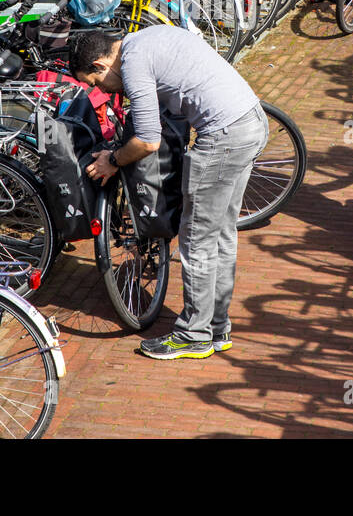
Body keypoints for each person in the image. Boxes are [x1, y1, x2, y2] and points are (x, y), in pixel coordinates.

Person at [72, 26, 269, 360]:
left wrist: (114, 160)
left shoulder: (133, 64)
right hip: (250, 120)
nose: (101, 90)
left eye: (95, 83)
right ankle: (216, 326)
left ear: (99, 65)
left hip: (223, 137)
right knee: (220, 234)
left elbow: (148, 139)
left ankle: (194, 334)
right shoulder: (149, 37)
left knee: (197, 238)